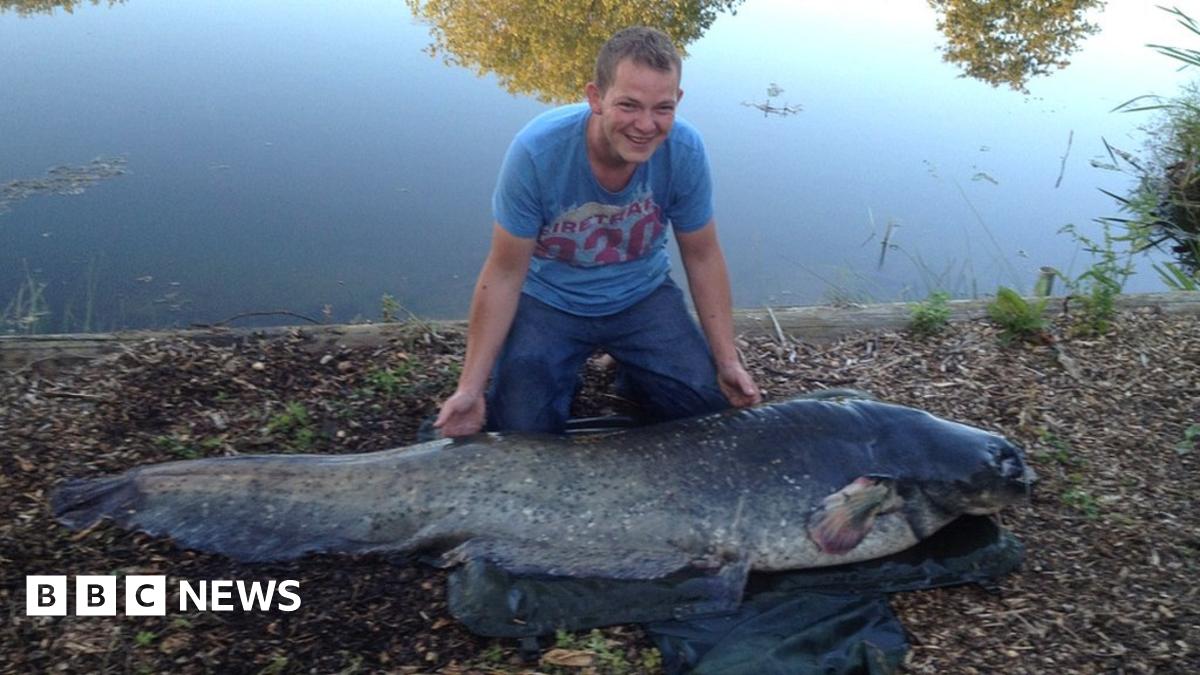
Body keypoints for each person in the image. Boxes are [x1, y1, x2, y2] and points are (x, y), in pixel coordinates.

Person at [434, 26, 760, 437]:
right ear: (595, 98)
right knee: (521, 430)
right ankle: (563, 376)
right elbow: (503, 273)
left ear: (677, 101)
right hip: (549, 301)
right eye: (629, 105)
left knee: (706, 410)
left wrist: (727, 361)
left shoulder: (686, 150)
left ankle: (635, 373)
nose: (646, 125)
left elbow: (703, 256)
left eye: (662, 108)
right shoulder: (537, 152)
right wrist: (470, 387)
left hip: (642, 296)